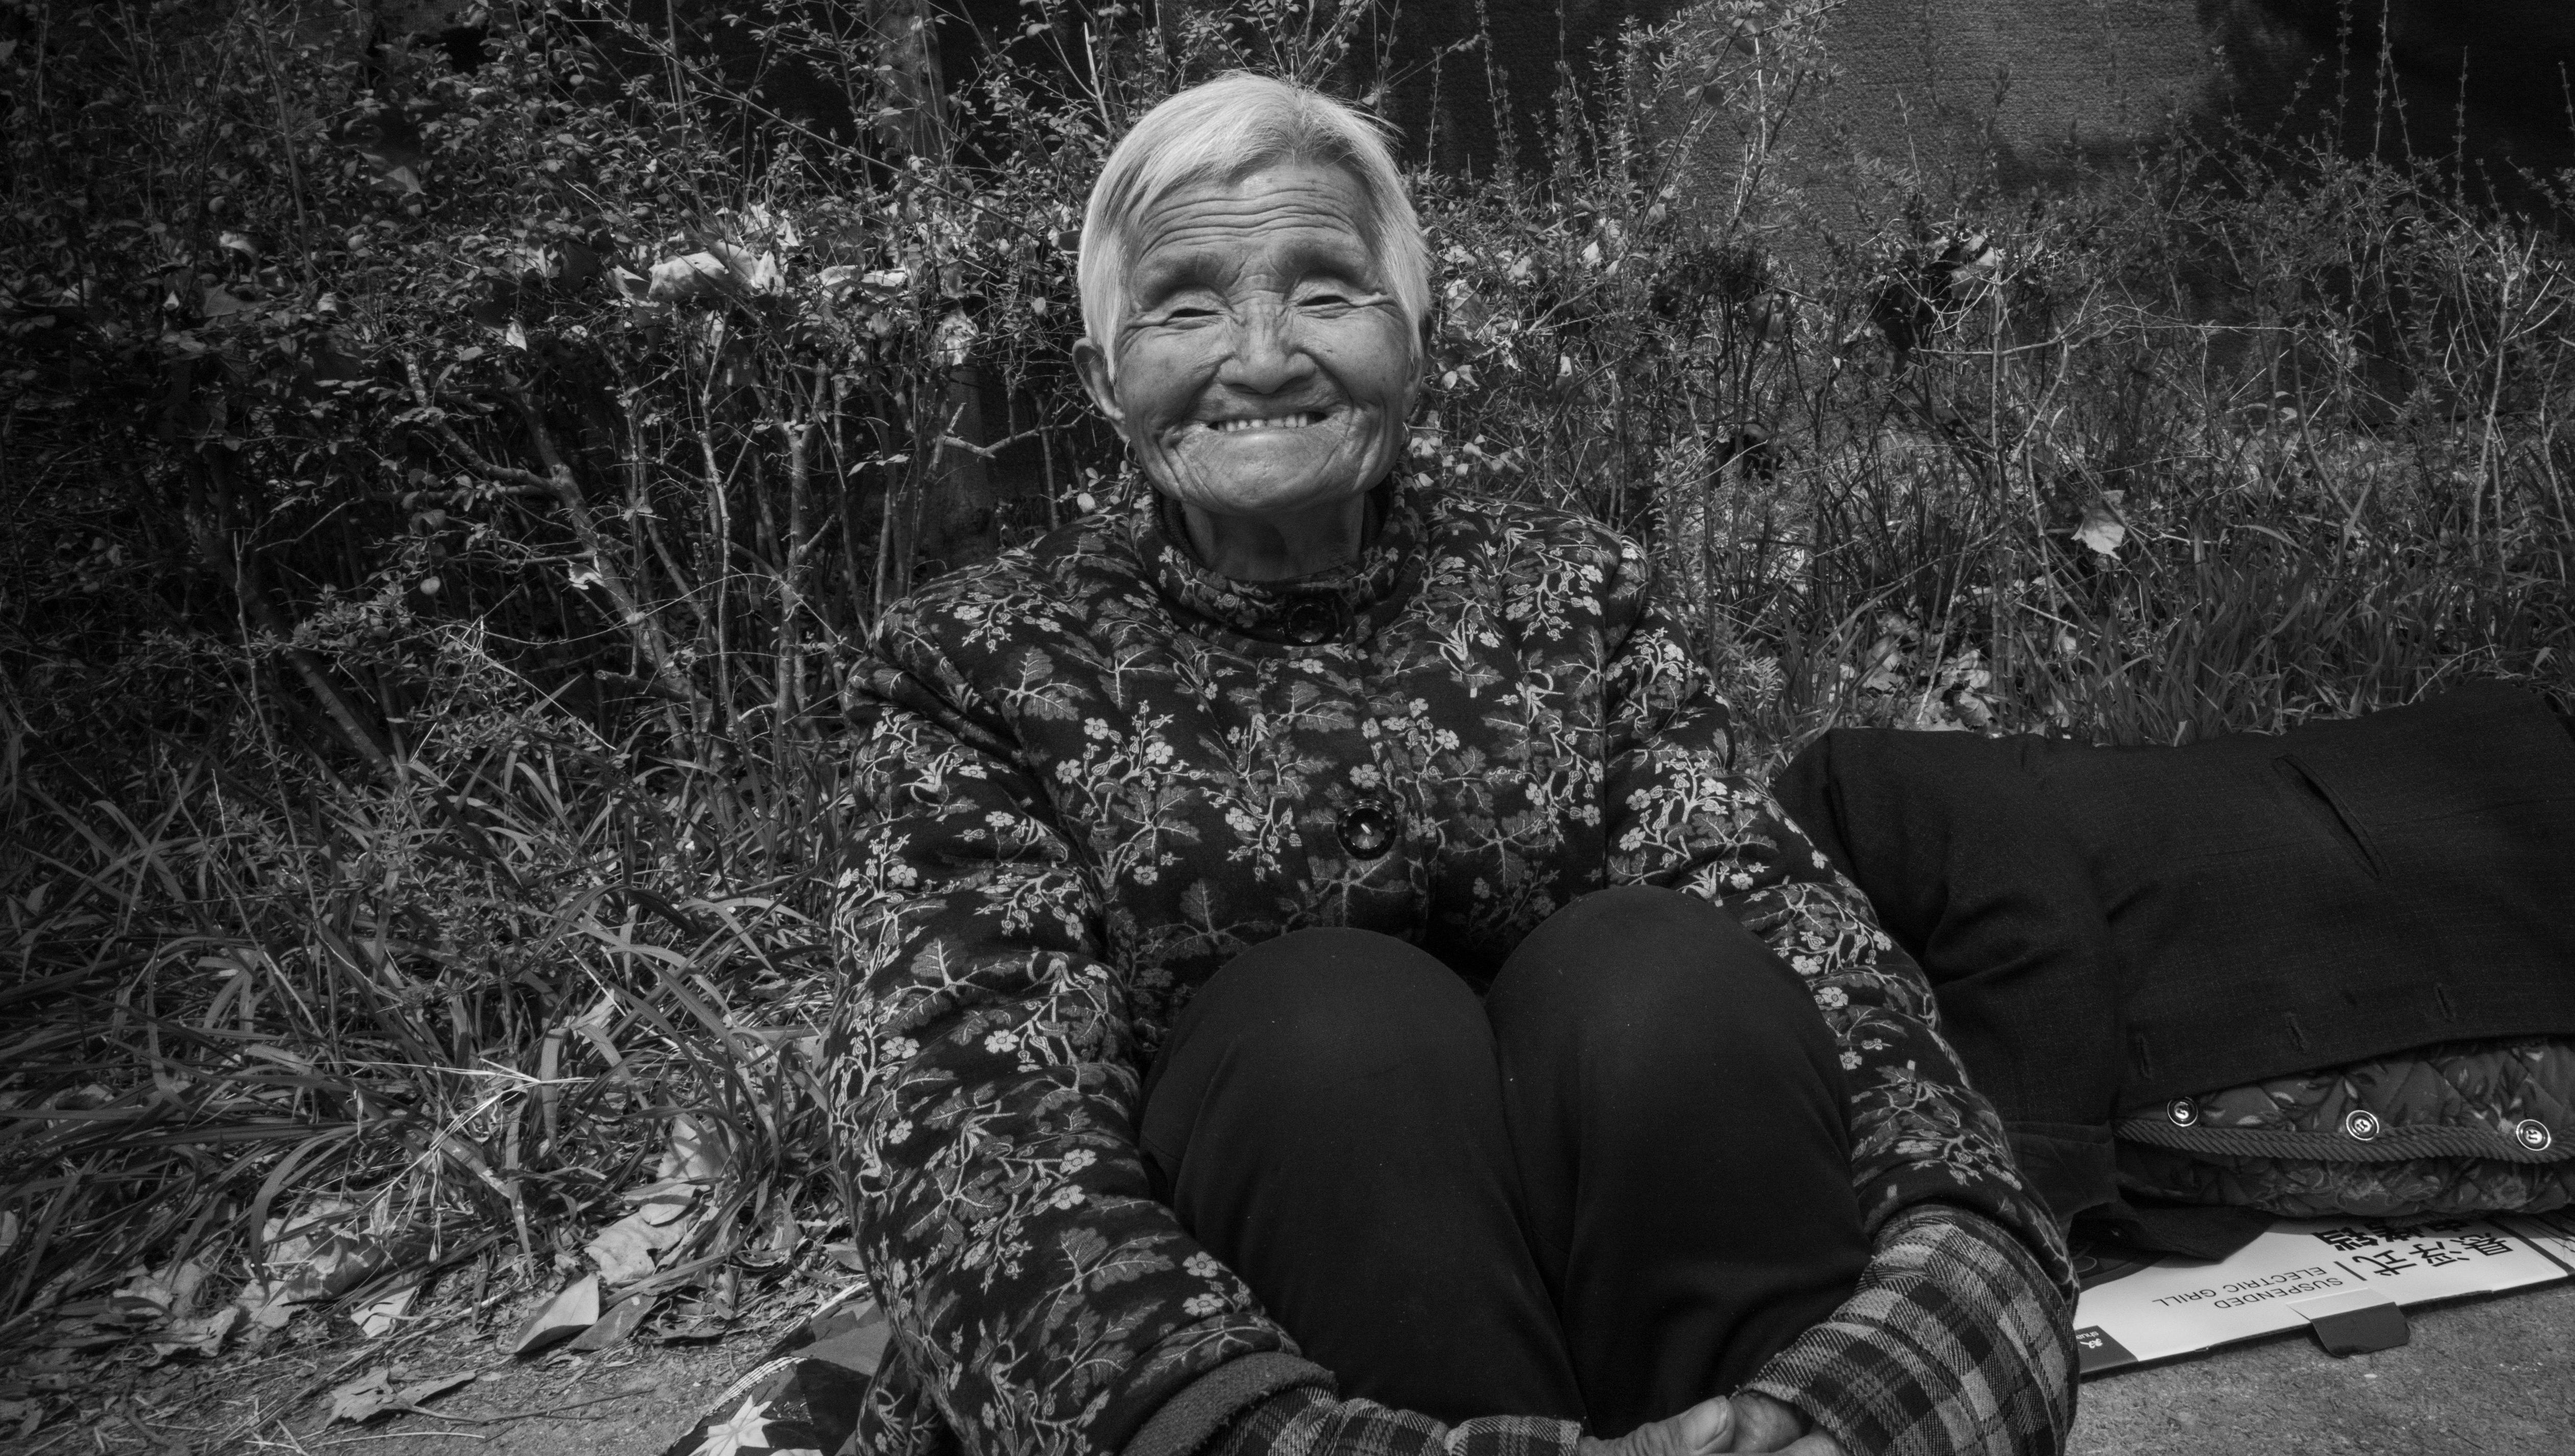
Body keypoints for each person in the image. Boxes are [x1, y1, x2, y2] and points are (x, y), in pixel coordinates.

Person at [823, 74, 2076, 1456]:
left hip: (1669, 1349)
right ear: (1101, 378)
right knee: (1329, 1028)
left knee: (1660, 971)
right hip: (1265, 1370)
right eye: (1183, 305)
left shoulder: (1564, 590)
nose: (1259, 354)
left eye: (1324, 291)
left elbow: (1793, 928)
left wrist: (1941, 1293)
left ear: (1416, 338)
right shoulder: (980, 663)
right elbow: (966, 1126)